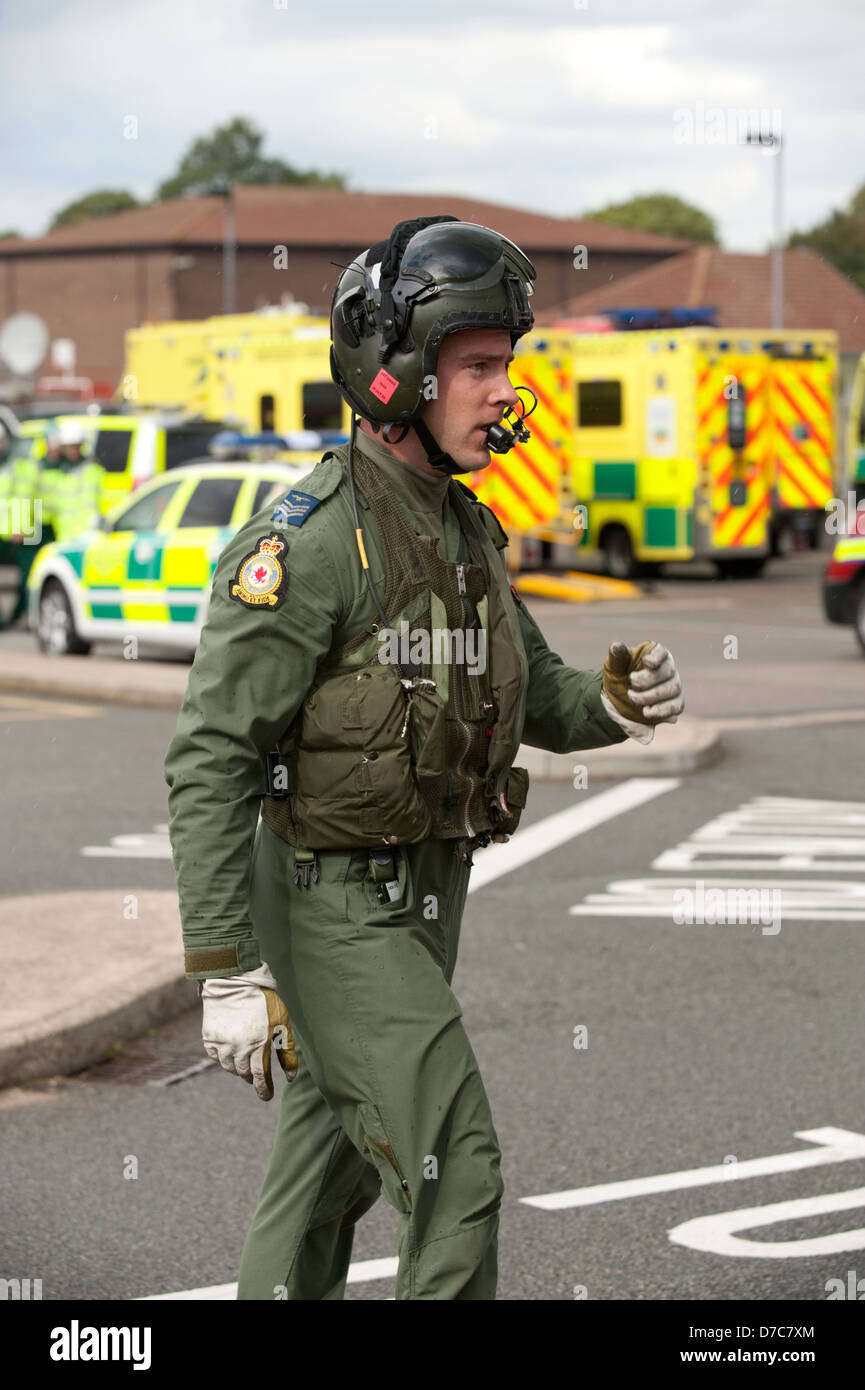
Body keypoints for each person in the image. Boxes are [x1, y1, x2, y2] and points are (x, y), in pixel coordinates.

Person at [164, 215, 684, 1301]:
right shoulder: (305, 546)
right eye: (479, 366)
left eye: (509, 364)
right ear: (395, 370)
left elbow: (530, 685)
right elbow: (211, 755)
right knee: (456, 1173)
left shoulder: (463, 528)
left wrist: (611, 703)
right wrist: (225, 966)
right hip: (331, 902)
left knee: (324, 1174)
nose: (504, 390)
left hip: (424, 893)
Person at [41, 419, 104, 543]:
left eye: (77, 446)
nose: (73, 450)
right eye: (70, 446)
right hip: (63, 537)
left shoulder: (92, 469)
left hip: (87, 536)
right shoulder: (58, 473)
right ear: (62, 447)